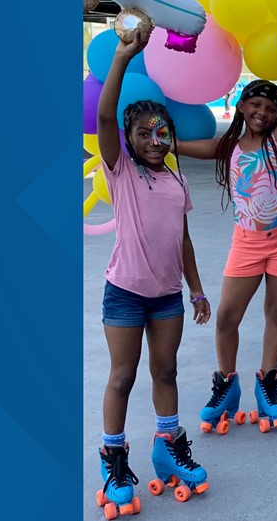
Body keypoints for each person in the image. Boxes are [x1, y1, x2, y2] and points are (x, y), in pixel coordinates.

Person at [94, 29, 211, 515]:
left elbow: (181, 239)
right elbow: (104, 115)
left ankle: (168, 446)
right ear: (129, 139)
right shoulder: (120, 170)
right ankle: (113, 457)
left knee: (166, 370)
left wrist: (198, 291)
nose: (154, 139)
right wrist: (123, 58)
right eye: (144, 133)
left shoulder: (177, 179)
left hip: (167, 297)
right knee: (122, 376)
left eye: (161, 132)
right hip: (124, 292)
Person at [177, 73, 277, 434]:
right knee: (227, 317)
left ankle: (267, 383)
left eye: (271, 109)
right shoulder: (228, 147)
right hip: (247, 242)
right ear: (241, 106)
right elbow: (176, 145)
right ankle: (226, 384)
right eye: (256, 105)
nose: (262, 112)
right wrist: (157, 137)